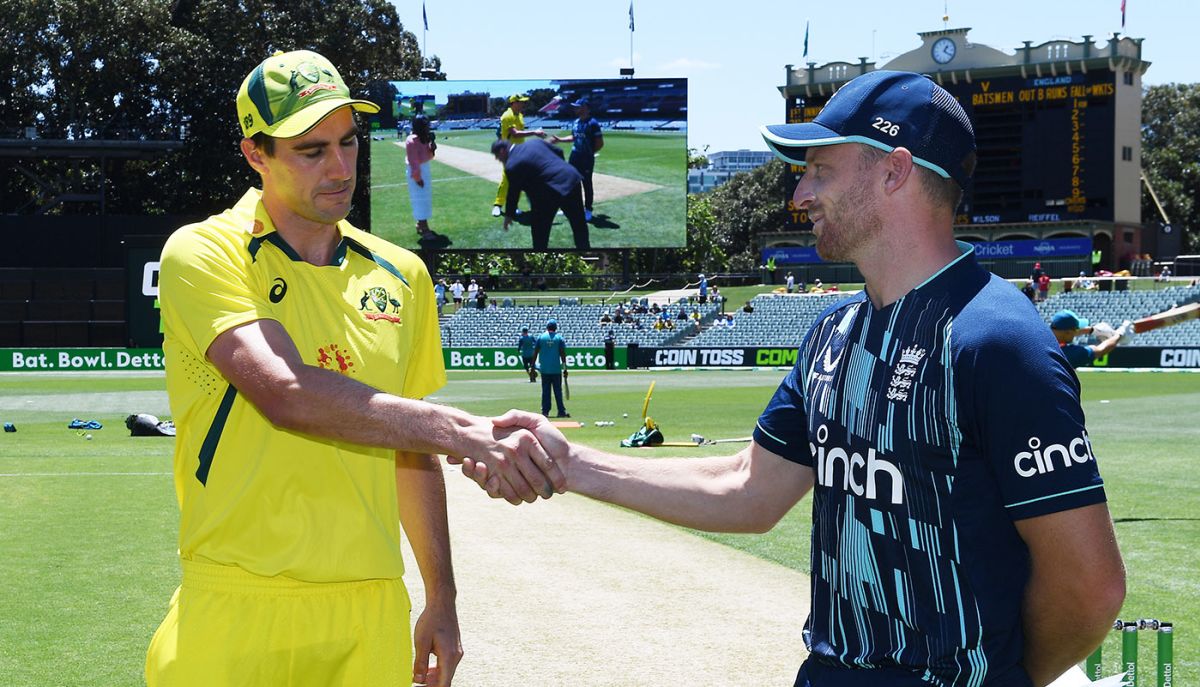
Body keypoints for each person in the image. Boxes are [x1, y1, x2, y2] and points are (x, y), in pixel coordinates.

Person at [464, 70, 1125, 687]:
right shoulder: (831, 337)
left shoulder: (997, 341)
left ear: (895, 171)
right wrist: (571, 464)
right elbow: (748, 489)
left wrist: (1002, 677)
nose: (799, 194)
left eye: (820, 170)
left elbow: (1090, 586)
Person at [146, 49, 563, 687]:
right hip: (235, 602)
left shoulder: (405, 275)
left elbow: (410, 453)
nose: (341, 168)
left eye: (349, 141)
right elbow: (285, 391)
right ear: (256, 155)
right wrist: (459, 429)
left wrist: (442, 597)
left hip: (370, 610)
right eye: (311, 151)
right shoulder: (204, 252)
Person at [491, 139, 590, 250]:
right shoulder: (534, 142)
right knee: (579, 224)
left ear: (502, 151)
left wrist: (509, 215)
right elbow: (559, 150)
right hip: (571, 178)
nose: (497, 159)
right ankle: (585, 251)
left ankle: (539, 255)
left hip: (549, 191)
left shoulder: (511, 165)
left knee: (540, 233)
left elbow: (513, 192)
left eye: (496, 155)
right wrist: (559, 170)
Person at [492, 93, 547, 217]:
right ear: (514, 103)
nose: (523, 104)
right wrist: (534, 132)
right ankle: (497, 205)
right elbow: (515, 134)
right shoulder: (507, 116)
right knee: (507, 180)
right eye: (521, 102)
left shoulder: (520, 115)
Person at [550, 97, 604, 222]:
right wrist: (560, 140)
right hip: (574, 156)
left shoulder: (593, 123)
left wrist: (590, 153)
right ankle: (568, 207)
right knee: (570, 182)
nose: (575, 109)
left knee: (586, 184)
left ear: (585, 107)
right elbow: (573, 137)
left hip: (586, 159)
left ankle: (588, 209)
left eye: (577, 107)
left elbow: (600, 143)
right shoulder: (576, 122)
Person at [406, 114, 451, 248]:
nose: (428, 128)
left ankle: (420, 224)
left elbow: (429, 156)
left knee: (425, 199)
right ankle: (424, 228)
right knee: (419, 199)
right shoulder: (411, 140)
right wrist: (417, 177)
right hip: (417, 170)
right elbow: (413, 161)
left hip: (424, 168)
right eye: (425, 126)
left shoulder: (424, 138)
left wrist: (432, 146)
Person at [1050, 310, 1131, 368]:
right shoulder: (1068, 353)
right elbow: (1100, 350)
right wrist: (1119, 334)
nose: (1077, 331)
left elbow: (1065, 332)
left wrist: (1092, 330)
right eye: (1076, 328)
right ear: (1068, 332)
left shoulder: (1041, 340)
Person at [535, 319, 569, 418]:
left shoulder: (541, 337)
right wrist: (565, 368)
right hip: (555, 369)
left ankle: (545, 412)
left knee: (545, 391)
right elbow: (562, 354)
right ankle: (561, 411)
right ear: (556, 328)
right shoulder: (559, 338)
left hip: (544, 369)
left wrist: (532, 366)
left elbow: (536, 352)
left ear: (547, 327)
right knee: (558, 391)